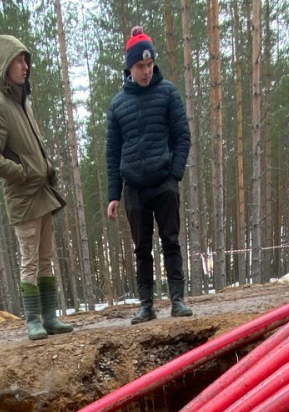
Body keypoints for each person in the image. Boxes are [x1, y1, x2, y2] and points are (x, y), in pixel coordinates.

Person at [0, 35, 73, 343]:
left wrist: (45, 168)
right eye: (19, 60)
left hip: (41, 191)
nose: (25, 66)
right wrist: (22, 173)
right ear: (5, 65)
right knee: (29, 260)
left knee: (46, 257)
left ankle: (49, 316)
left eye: (26, 60)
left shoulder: (23, 102)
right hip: (23, 196)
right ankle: (33, 319)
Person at [106, 26, 193, 324]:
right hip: (134, 188)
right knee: (142, 248)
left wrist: (175, 174)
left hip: (164, 182)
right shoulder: (117, 105)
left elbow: (183, 136)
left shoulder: (167, 93)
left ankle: (177, 300)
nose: (146, 71)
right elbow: (112, 152)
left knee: (170, 240)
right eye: (140, 66)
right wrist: (113, 196)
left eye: (150, 64)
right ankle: (146, 305)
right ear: (129, 68)